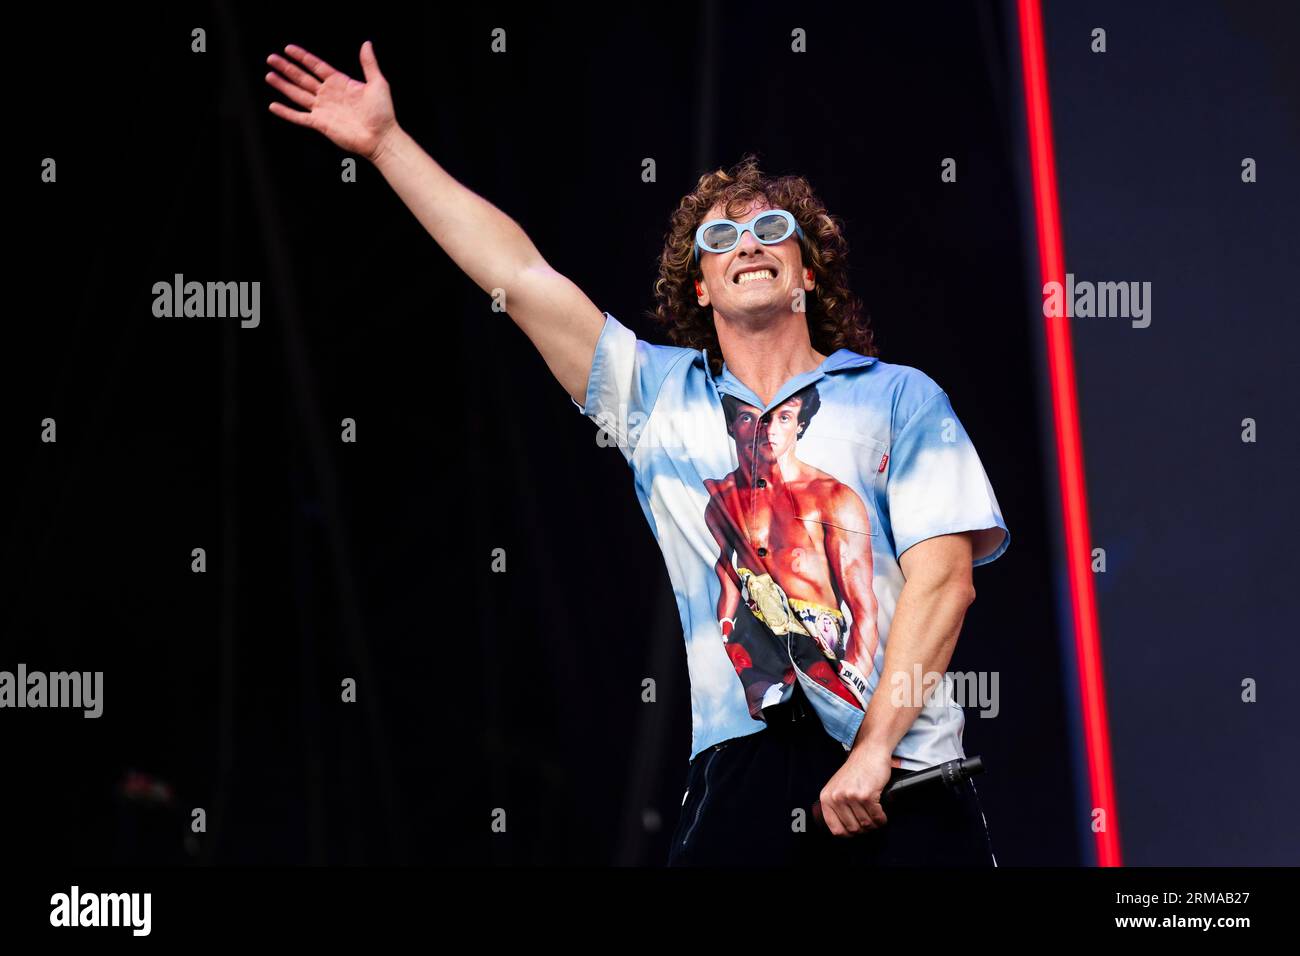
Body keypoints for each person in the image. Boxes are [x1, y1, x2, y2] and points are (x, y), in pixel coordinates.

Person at [265, 40, 1010, 866]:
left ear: (807, 271)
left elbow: (945, 580)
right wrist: (386, 143)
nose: (748, 241)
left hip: (904, 765)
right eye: (722, 235)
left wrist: (874, 750)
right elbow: (518, 272)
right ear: (700, 284)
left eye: (773, 228)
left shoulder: (900, 397)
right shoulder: (657, 399)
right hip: (747, 764)